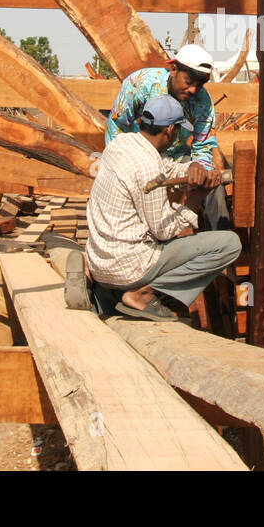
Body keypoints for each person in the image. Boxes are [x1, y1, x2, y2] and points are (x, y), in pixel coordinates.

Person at [69, 94, 241, 321]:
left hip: (100, 261)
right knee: (229, 244)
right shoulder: (148, 168)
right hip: (128, 268)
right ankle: (144, 295)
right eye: (179, 130)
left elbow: (164, 168)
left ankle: (88, 270)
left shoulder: (120, 144)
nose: (180, 136)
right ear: (170, 130)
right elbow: (164, 230)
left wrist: (191, 168)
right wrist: (196, 198)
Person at [105, 43, 229, 227]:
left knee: (213, 186)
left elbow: (202, 144)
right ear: (173, 69)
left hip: (178, 158)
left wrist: (200, 168)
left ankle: (217, 240)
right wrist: (121, 163)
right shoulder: (140, 84)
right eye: (189, 82)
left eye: (200, 84)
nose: (194, 90)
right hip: (138, 157)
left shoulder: (203, 101)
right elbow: (117, 125)